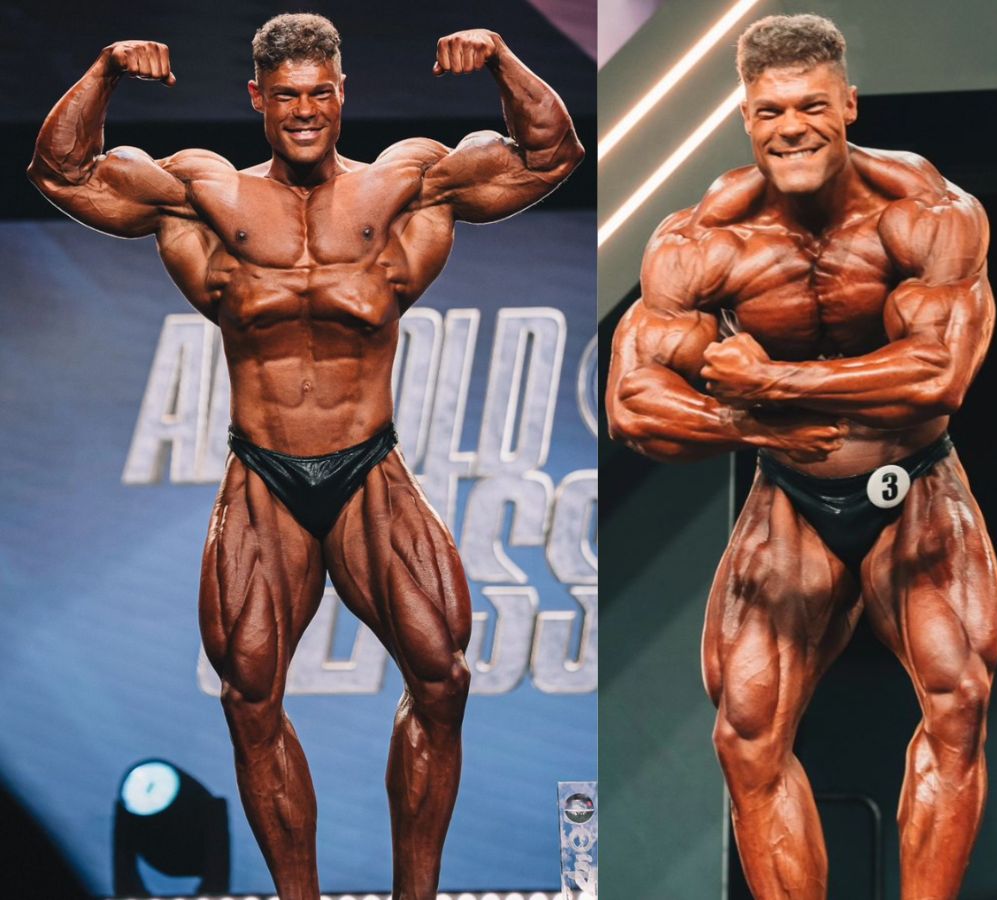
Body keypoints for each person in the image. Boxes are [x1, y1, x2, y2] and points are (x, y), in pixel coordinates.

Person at [27, 14, 581, 899]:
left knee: (442, 677)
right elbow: (61, 171)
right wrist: (103, 71)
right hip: (265, 476)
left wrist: (504, 61)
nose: (305, 110)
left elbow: (550, 156)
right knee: (249, 697)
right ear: (258, 98)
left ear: (342, 93)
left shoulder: (406, 185)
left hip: (368, 468)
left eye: (320, 92)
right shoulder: (203, 194)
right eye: (286, 95)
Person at [607, 14, 997, 899]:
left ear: (849, 104)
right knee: (745, 733)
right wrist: (752, 429)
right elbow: (632, 403)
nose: (791, 128)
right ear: (745, 120)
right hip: (792, 493)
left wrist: (774, 384)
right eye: (770, 111)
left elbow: (939, 377)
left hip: (917, 483)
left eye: (812, 106)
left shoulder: (928, 214)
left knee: (959, 701)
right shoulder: (702, 239)